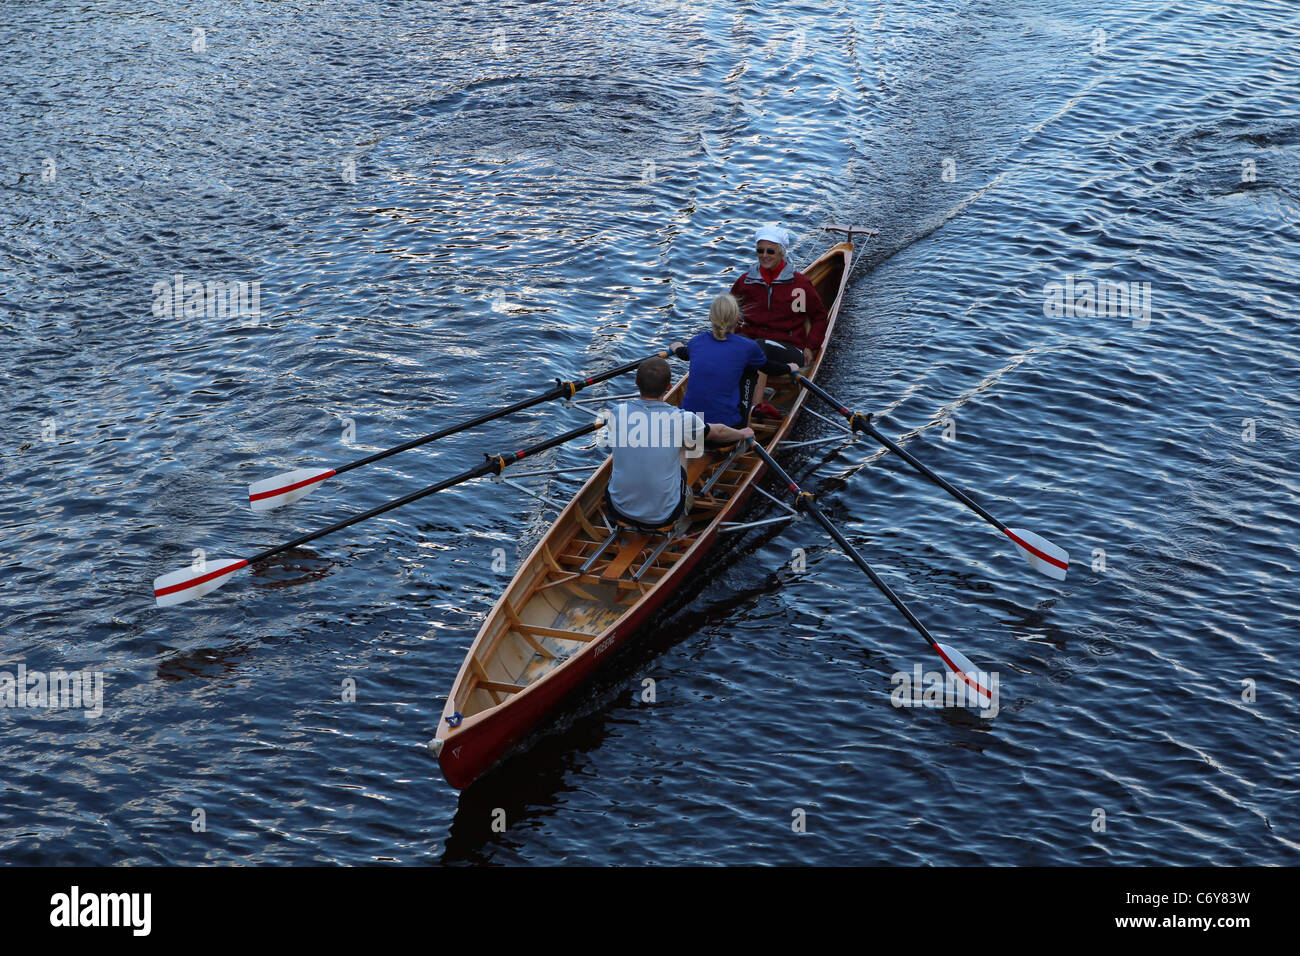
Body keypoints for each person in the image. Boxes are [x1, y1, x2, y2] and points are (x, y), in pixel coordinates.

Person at [605, 356, 754, 527]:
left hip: (616, 508)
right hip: (664, 515)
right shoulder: (682, 419)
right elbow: (718, 432)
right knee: (685, 441)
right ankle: (681, 515)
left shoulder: (618, 411)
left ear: (636, 382)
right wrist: (742, 433)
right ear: (669, 387)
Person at [729, 224, 828, 417]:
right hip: (754, 346)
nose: (764, 255)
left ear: (781, 253)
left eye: (770, 251)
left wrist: (810, 345)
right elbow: (728, 312)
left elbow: (819, 317)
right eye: (760, 250)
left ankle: (754, 412)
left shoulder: (800, 284)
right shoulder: (745, 281)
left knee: (758, 347)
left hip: (789, 349)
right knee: (738, 347)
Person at [670, 293, 800, 431]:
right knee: (751, 368)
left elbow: (684, 354)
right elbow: (768, 367)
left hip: (688, 426)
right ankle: (748, 417)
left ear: (710, 318)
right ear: (738, 319)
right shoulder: (747, 347)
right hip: (727, 428)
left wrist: (676, 347)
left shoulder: (696, 342)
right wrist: (789, 368)